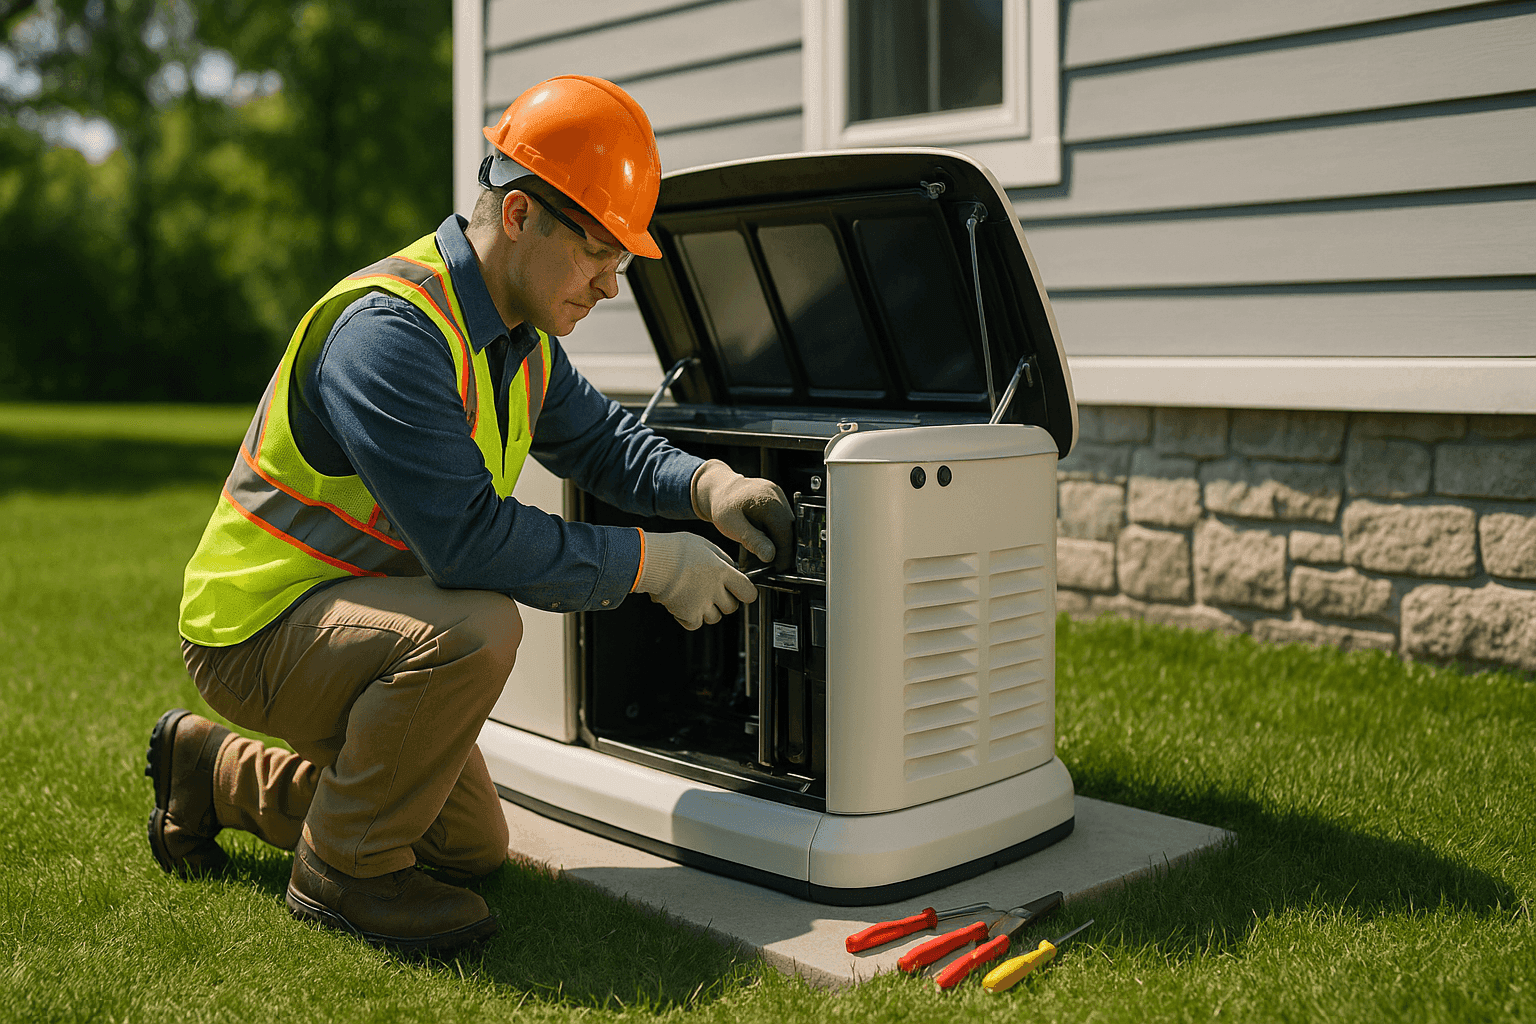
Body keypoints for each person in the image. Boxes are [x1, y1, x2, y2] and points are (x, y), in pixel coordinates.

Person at [145, 75, 793, 954]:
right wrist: (655, 564)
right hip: (256, 626)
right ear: (521, 215)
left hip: (356, 621)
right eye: (601, 251)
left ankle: (215, 774)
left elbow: (604, 443)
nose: (610, 284)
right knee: (478, 627)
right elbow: (466, 542)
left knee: (469, 846)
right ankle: (342, 874)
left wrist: (710, 485)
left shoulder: (519, 336)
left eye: (622, 261)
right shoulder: (391, 335)